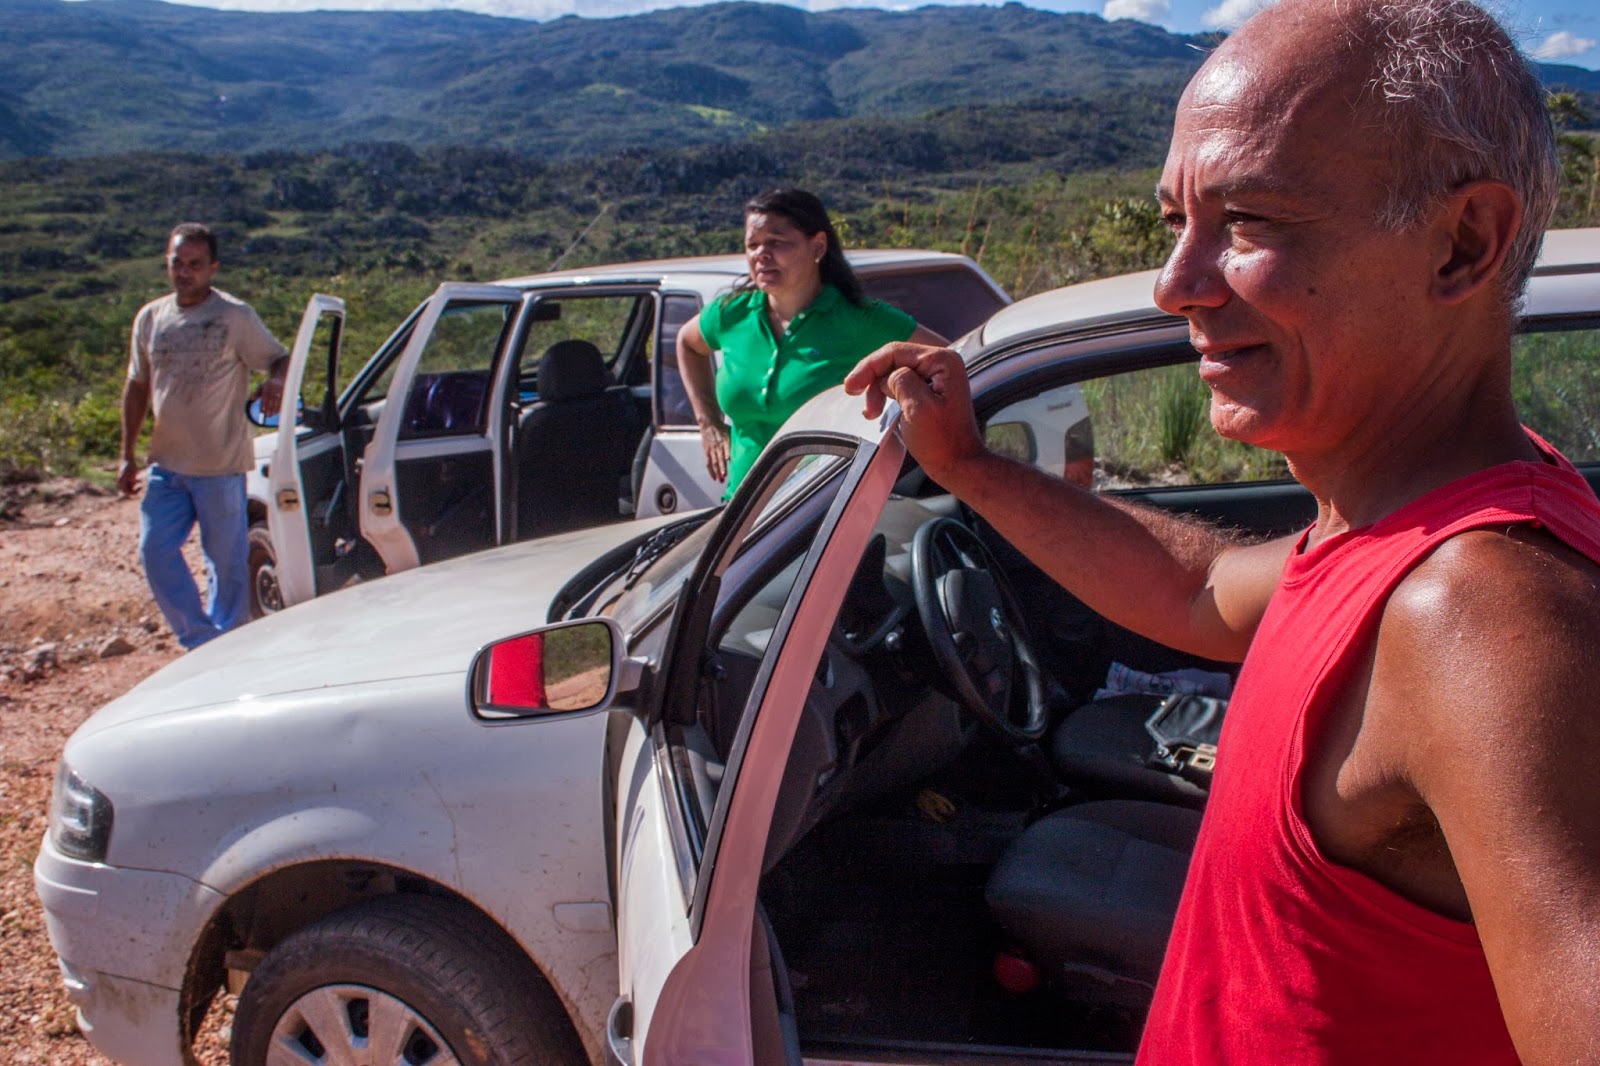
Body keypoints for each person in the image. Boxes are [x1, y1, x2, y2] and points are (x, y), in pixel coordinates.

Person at [845, 0, 1600, 1061]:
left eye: (1248, 221)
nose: (1174, 284)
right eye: (1174, 222)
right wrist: (968, 467)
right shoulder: (1388, 540)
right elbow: (1193, 592)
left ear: (1461, 244)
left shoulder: (1478, 611)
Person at [677, 187, 946, 495]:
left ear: (818, 246)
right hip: (742, 514)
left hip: (822, 519)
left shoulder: (858, 318)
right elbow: (687, 343)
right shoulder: (730, 315)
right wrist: (707, 423)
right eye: (752, 245)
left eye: (776, 242)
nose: (761, 254)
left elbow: (954, 362)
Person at [119, 222, 289, 649]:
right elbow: (137, 386)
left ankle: (226, 646)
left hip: (220, 466)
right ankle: (199, 641)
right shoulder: (151, 318)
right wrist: (126, 454)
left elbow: (279, 359)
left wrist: (277, 383)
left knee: (227, 567)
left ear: (212, 268)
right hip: (167, 466)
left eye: (195, 264)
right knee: (155, 552)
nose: (184, 272)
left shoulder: (234, 316)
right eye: (177, 262)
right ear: (167, 263)